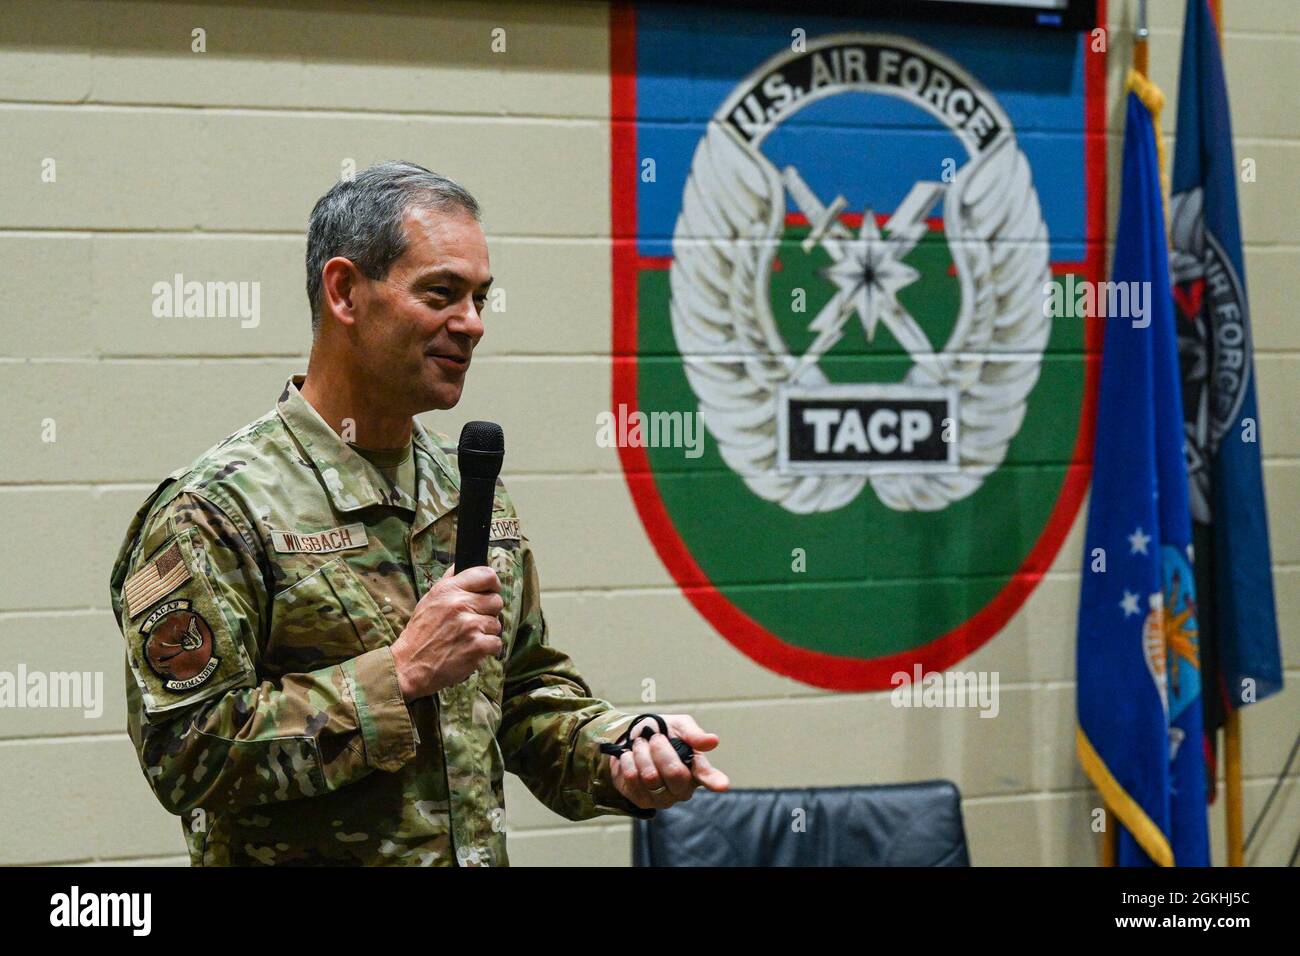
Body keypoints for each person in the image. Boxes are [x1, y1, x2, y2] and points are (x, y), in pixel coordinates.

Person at [109, 161, 729, 866]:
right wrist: (397, 672)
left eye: (480, 299)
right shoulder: (217, 510)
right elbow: (183, 757)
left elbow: (522, 690)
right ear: (344, 291)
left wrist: (618, 749)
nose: (472, 325)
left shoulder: (467, 488)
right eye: (442, 294)